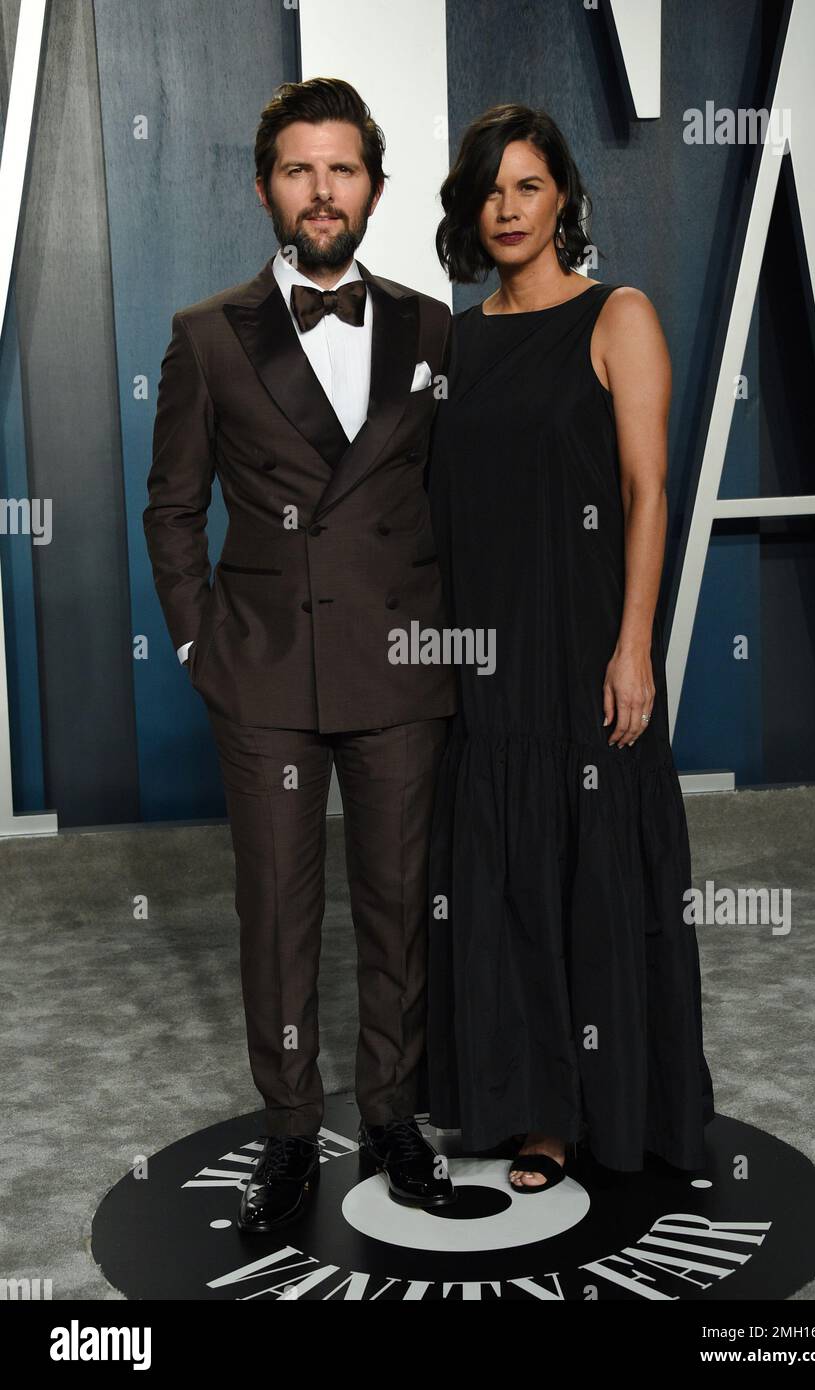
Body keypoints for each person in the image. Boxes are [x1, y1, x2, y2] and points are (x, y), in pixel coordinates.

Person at [144, 77, 457, 1231]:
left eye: (343, 169)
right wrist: (198, 640)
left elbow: (450, 500)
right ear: (267, 185)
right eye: (298, 169)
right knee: (274, 912)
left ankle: (391, 1111)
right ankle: (287, 1132)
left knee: (395, 899)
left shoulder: (432, 327)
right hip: (265, 669)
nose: (322, 191)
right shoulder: (204, 337)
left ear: (372, 183)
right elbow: (170, 507)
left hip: (399, 666)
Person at [425, 104, 715, 1192]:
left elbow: (647, 492)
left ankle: (620, 1104)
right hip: (489, 666)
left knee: (596, 877)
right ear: (468, 207)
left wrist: (634, 643)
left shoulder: (617, 314)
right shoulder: (456, 340)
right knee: (507, 883)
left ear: (564, 202)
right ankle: (536, 1111)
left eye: (529, 186)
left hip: (589, 649)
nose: (507, 207)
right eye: (490, 189)